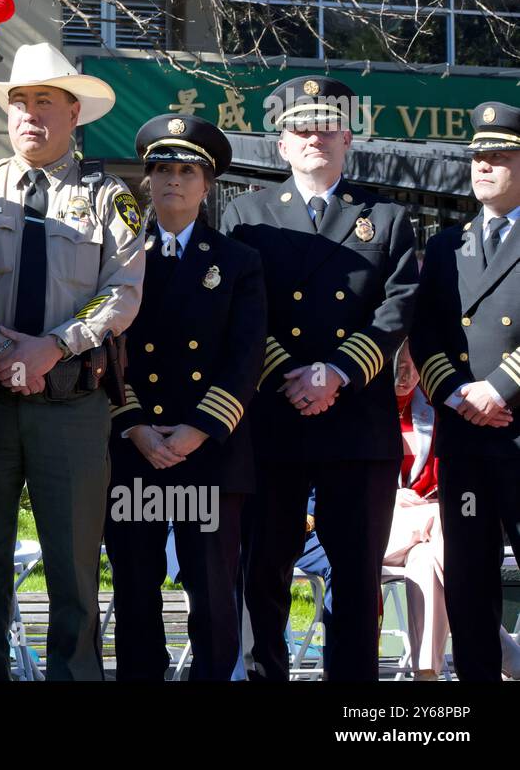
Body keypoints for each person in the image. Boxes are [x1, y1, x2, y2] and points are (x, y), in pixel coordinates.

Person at [0, 43, 144, 680]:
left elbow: (123, 292)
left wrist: (53, 346)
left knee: (73, 566)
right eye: (20, 103)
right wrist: (4, 349)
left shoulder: (109, 197)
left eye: (45, 103)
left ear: (74, 113)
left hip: (71, 404)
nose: (30, 115)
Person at [222, 74, 418, 682]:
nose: (315, 138)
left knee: (358, 578)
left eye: (327, 127)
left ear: (348, 138)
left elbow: (400, 303)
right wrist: (294, 374)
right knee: (263, 575)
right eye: (301, 128)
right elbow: (241, 310)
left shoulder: (386, 217)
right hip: (273, 424)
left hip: (357, 427)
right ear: (281, 144)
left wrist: (334, 373)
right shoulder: (246, 214)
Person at [104, 114, 266, 681]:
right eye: (163, 169)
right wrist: (135, 426)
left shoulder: (239, 262)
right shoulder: (118, 257)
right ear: (147, 180)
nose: (174, 180)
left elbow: (246, 358)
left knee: (213, 596)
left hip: (210, 454)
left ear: (208, 183)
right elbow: (105, 347)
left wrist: (197, 429)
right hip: (134, 450)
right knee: (135, 589)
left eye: (188, 170)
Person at [410, 101, 520, 681]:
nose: (484, 166)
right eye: (478, 156)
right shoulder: (450, 241)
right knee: (471, 580)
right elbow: (425, 330)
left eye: (499, 156)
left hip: (516, 429)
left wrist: (500, 388)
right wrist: (455, 393)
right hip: (465, 438)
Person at [380, 342, 446, 680]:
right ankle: (503, 652)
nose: (407, 374)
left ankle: (426, 672)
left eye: (414, 365)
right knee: (444, 524)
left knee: (427, 559)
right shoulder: (369, 406)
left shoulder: (431, 407)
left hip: (418, 531)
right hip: (373, 528)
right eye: (399, 365)